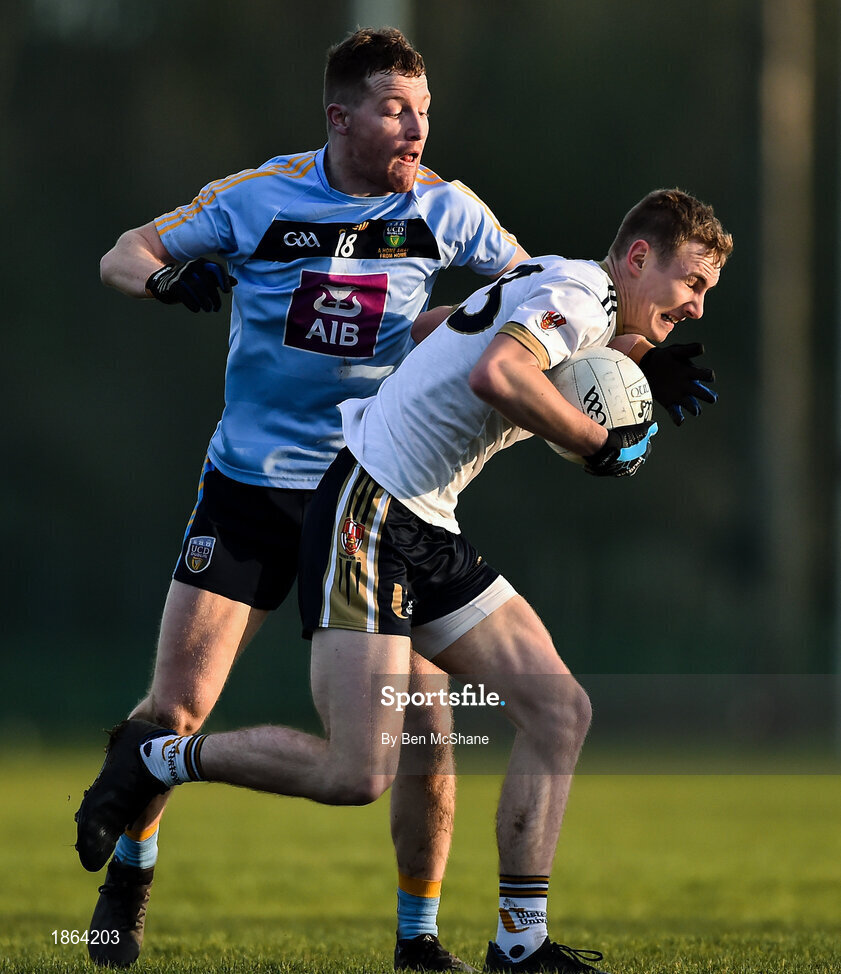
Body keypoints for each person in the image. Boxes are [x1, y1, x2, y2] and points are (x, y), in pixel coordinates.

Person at [77, 188, 732, 972]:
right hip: (370, 512)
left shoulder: (561, 282)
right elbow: (496, 371)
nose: (695, 305)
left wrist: (626, 362)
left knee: (558, 710)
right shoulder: (579, 293)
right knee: (357, 773)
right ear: (638, 258)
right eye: (691, 282)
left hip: (423, 522)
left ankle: (518, 945)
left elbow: (437, 329)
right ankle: (158, 759)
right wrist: (600, 442)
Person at [87, 25, 533, 971]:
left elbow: (526, 302)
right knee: (175, 711)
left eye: (423, 109)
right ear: (339, 117)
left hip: (374, 493)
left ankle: (417, 940)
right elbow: (120, 255)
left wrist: (610, 356)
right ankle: (129, 878)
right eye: (394, 109)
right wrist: (165, 278)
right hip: (252, 490)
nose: (416, 128)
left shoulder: (446, 209)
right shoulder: (259, 198)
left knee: (427, 726)